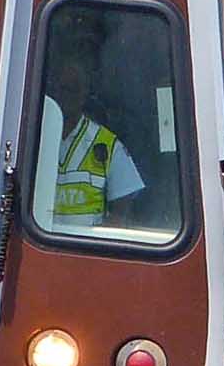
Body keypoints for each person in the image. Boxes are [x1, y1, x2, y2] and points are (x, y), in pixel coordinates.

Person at [39, 13, 145, 231]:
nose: (66, 96)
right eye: (62, 88)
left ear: (86, 92)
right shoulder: (32, 135)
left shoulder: (106, 144)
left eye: (74, 89)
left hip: (86, 252)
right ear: (52, 90)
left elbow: (122, 212)